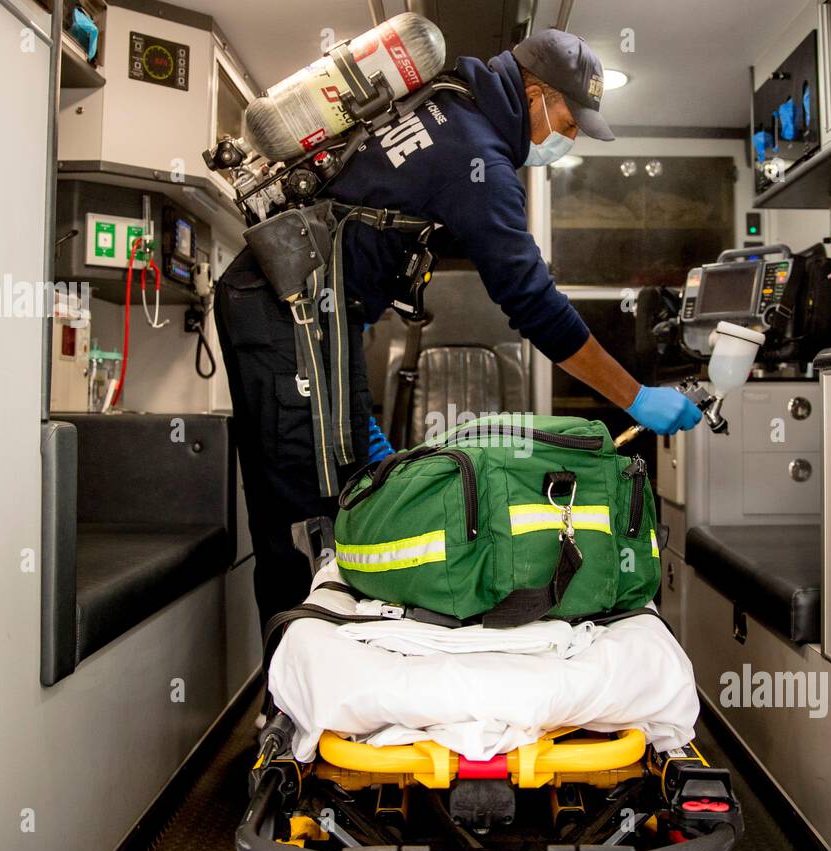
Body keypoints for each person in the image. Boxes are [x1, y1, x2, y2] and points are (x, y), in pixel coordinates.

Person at [214, 28, 703, 629]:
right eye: (570, 122)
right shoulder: (478, 157)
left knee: (356, 488)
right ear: (535, 93)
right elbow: (533, 301)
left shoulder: (449, 99)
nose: (570, 139)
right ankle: (293, 703)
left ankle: (349, 661)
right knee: (302, 512)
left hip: (308, 315)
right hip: (279, 306)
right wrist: (634, 397)